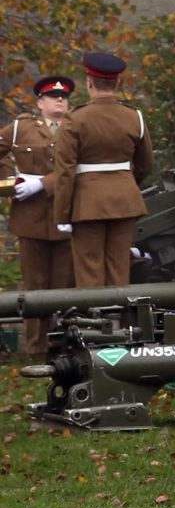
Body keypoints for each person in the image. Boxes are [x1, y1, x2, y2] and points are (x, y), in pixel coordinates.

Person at [48, 51, 150, 290]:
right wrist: (124, 184)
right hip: (125, 201)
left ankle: (97, 324)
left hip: (87, 204)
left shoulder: (75, 119)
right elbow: (145, 165)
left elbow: (65, 172)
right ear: (117, 82)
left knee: (89, 270)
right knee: (119, 267)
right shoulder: (134, 117)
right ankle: (120, 324)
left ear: (89, 82)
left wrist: (62, 214)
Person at [7, 74, 76, 350]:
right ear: (40, 102)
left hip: (67, 215)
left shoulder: (77, 128)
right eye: (52, 96)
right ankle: (35, 348)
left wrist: (43, 184)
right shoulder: (20, 129)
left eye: (64, 96)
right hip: (30, 219)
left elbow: (80, 166)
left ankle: (66, 346)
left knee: (66, 286)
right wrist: (11, 181)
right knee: (34, 287)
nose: (59, 99)